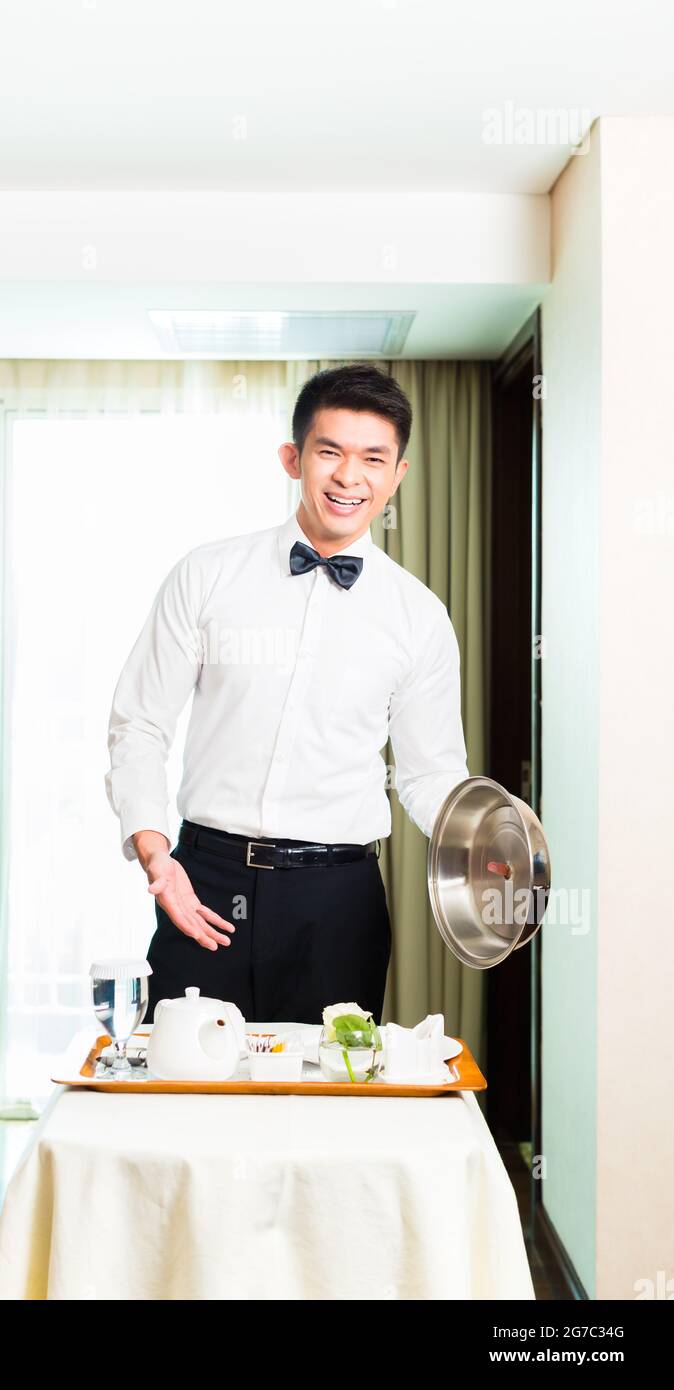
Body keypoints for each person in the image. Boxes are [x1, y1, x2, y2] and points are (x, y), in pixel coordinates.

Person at [105, 363, 470, 1026]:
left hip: (339, 903)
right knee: (181, 1098)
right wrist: (158, 861)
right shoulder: (208, 575)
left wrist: (480, 843)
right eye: (329, 452)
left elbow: (431, 773)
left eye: (373, 459)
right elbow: (139, 726)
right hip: (205, 882)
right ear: (292, 458)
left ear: (398, 476)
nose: (348, 476)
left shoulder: (418, 617)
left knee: (323, 1110)